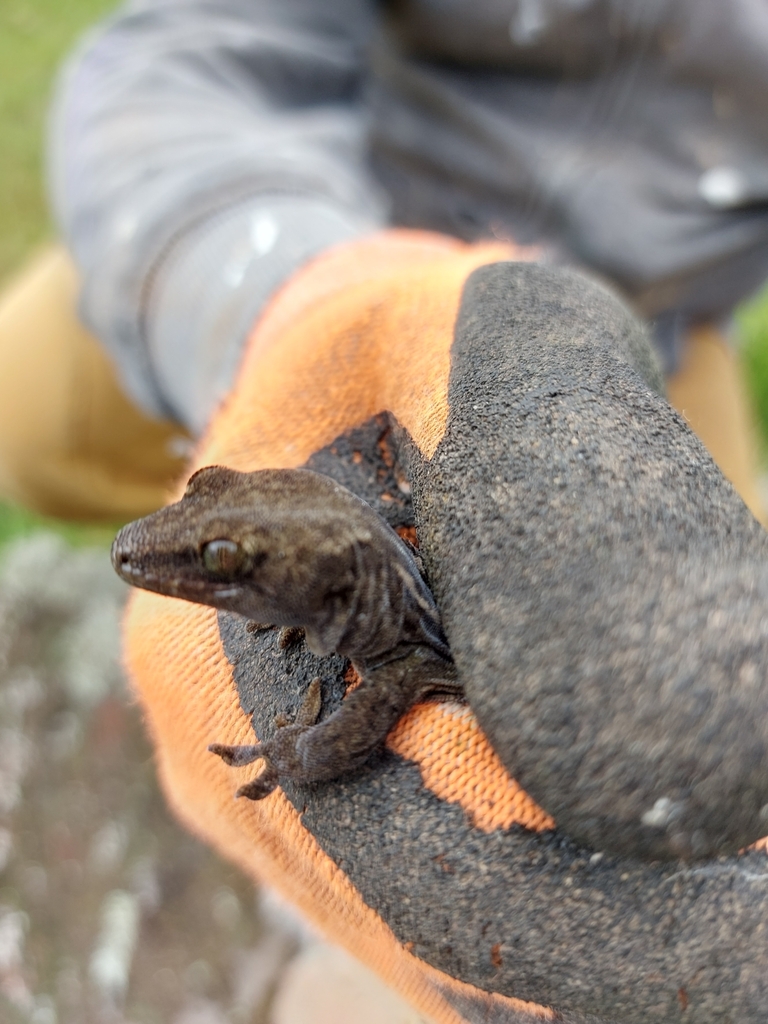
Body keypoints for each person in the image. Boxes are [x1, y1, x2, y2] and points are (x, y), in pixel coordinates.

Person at [1, 4, 768, 1023]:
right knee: (31, 407)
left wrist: (302, 758)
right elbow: (177, 48)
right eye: (219, 541)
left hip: (635, 323)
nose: (171, 566)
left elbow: (370, 707)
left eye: (222, 558)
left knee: (704, 699)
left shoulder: (379, 627)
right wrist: (311, 297)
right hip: (329, 196)